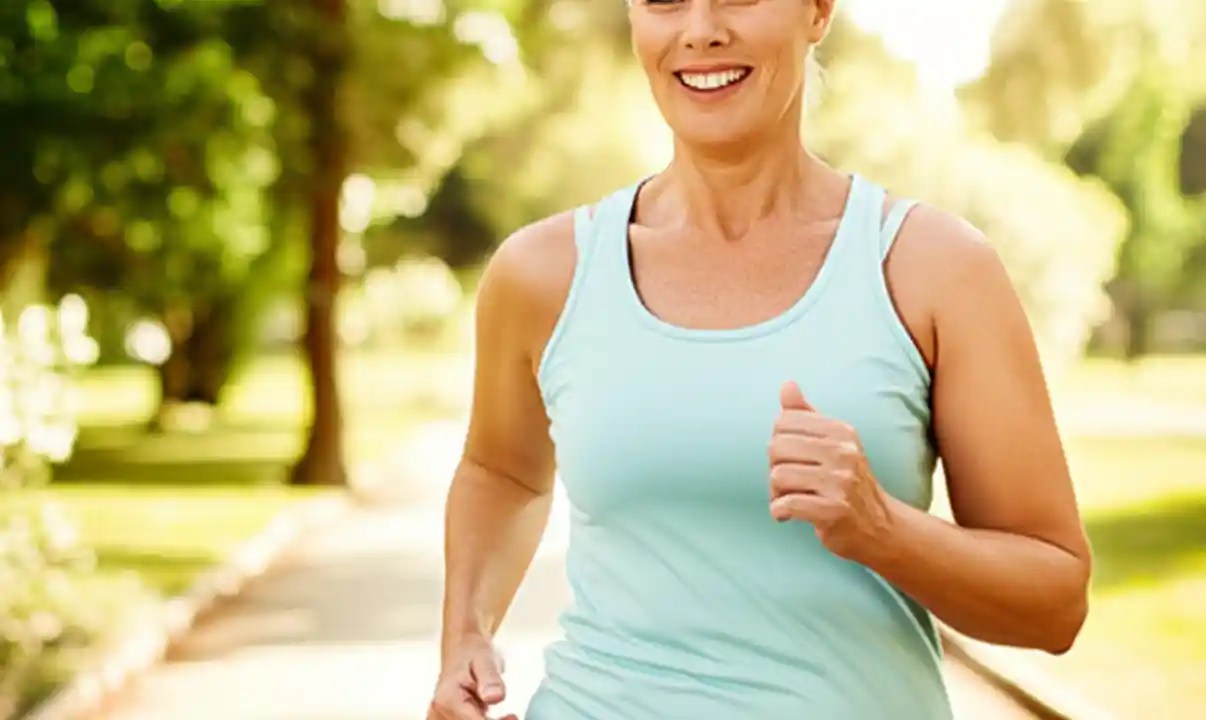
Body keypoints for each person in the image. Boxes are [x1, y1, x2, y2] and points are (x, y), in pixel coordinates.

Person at [428, 0, 1093, 717]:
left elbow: (1054, 605)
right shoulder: (541, 273)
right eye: (664, 0)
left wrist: (884, 531)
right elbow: (502, 471)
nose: (701, 27)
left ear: (818, 10)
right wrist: (465, 631)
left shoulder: (932, 269)